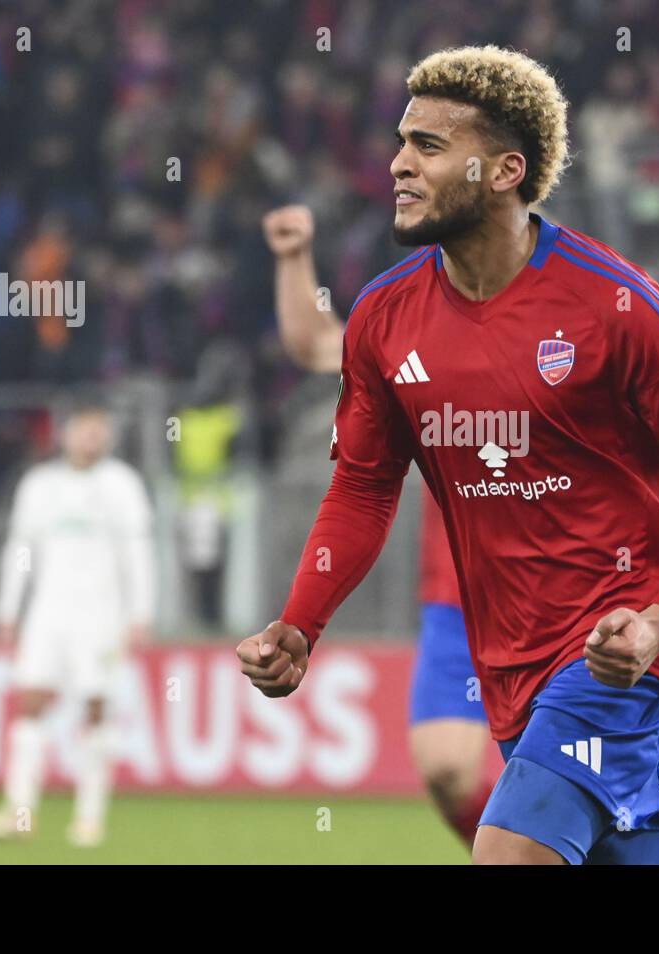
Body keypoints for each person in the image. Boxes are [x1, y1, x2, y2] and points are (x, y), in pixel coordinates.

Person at [239, 46, 659, 865]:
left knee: (509, 853)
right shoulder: (385, 315)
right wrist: (302, 623)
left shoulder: (612, 302)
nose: (399, 165)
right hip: (509, 658)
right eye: (401, 143)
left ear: (506, 170)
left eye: (429, 147)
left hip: (621, 649)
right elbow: (363, 488)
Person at [262, 204, 493, 845]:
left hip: (563, 592)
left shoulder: (567, 317)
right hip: (457, 598)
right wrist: (292, 258)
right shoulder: (409, 322)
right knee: (448, 769)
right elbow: (314, 344)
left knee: (577, 780)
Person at [0, 400, 155, 847]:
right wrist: (7, 608)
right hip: (48, 613)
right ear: (65, 434)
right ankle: (20, 813)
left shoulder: (122, 484)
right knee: (31, 701)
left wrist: (141, 612)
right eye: (83, 429)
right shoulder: (40, 485)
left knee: (96, 706)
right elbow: (20, 549)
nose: (91, 438)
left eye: (99, 430)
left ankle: (89, 818)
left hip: (100, 614)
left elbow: (138, 554)